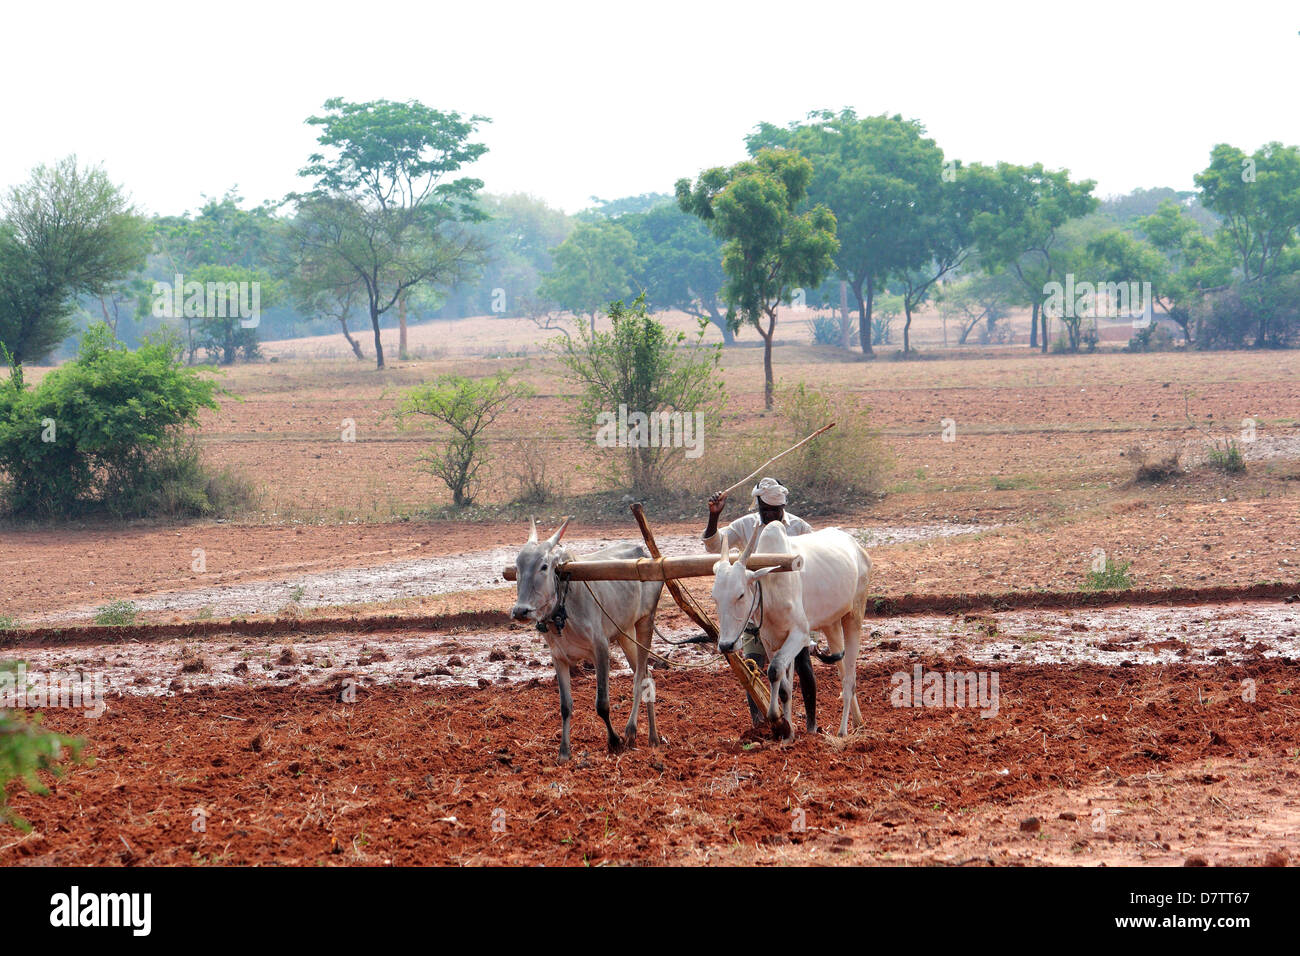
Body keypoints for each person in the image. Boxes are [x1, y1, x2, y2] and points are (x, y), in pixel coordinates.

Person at [703, 477, 816, 727]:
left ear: (783, 506)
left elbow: (815, 564)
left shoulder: (800, 528)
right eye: (765, 511)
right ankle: (759, 723)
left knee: (803, 662)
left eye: (776, 510)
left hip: (790, 612)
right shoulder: (745, 526)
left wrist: (812, 629)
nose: (771, 516)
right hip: (752, 612)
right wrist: (714, 516)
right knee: (754, 664)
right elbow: (713, 547)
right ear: (757, 506)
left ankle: (811, 724)